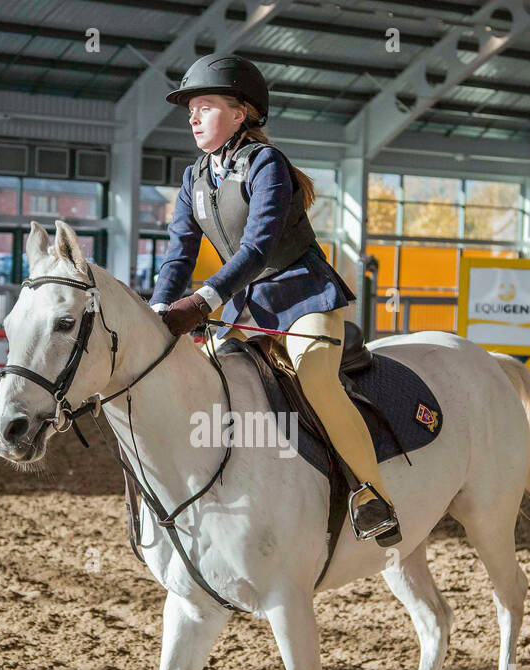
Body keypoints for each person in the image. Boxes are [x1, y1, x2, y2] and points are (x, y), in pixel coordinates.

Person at [150, 53, 400, 547]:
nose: (192, 117)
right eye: (190, 109)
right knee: (203, 376)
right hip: (248, 306)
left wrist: (202, 302)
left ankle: (373, 495)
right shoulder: (194, 178)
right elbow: (178, 254)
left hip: (304, 297)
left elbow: (257, 249)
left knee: (316, 382)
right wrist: (160, 308)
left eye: (204, 106)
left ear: (240, 113)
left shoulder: (267, 164)